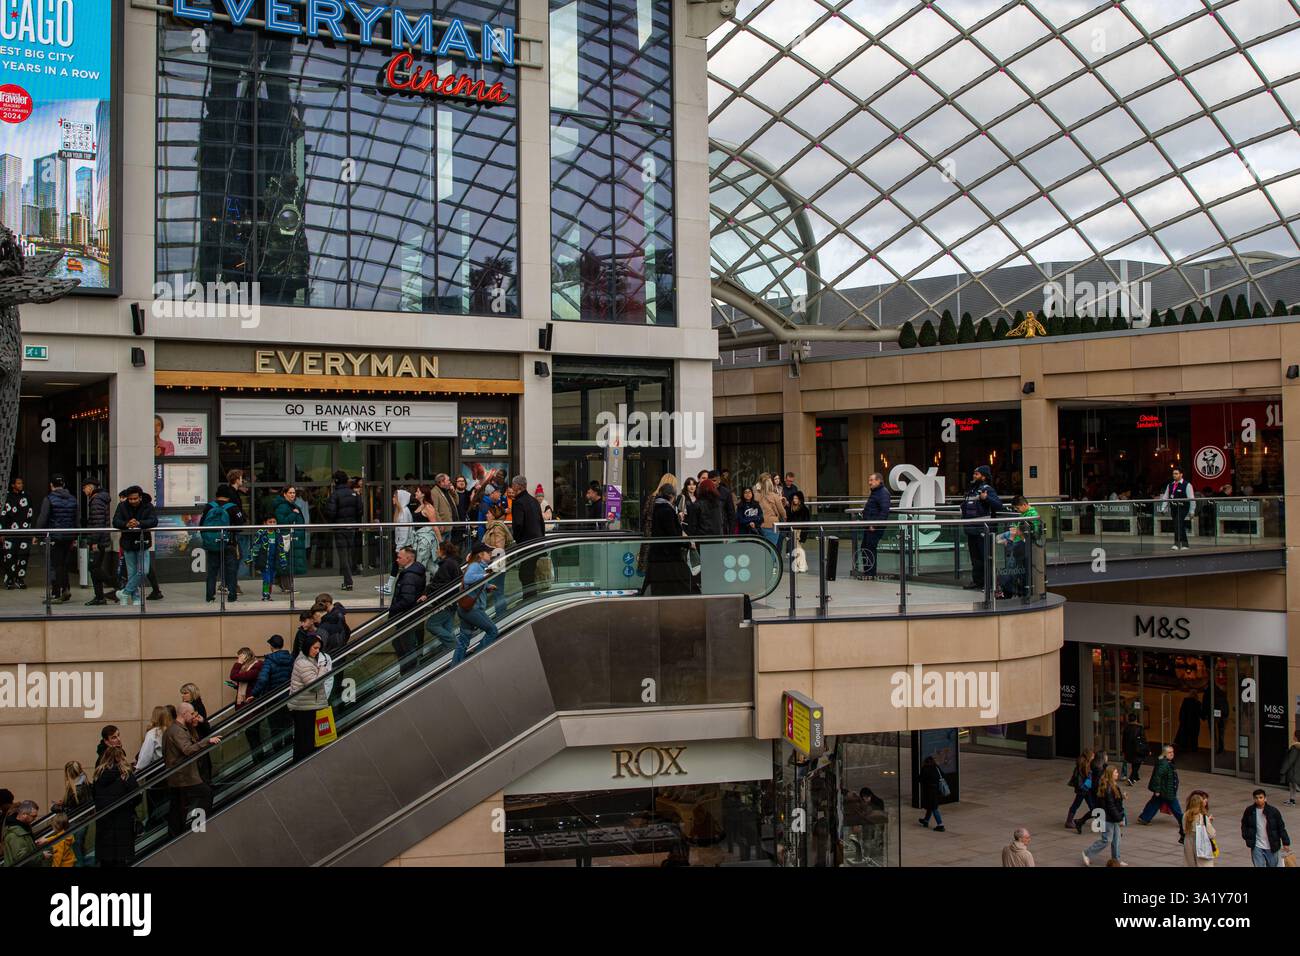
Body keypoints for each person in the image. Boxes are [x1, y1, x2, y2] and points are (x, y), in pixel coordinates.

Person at [163, 702, 220, 837]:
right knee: (206, 793)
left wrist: (196, 724)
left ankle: (175, 835)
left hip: (178, 777)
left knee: (178, 807)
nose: (194, 716)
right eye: (192, 713)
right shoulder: (177, 731)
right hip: (184, 776)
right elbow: (187, 749)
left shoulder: (176, 729)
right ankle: (197, 827)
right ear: (184, 714)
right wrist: (208, 741)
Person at [91, 746, 141, 867]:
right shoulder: (126, 775)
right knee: (121, 860)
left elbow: (94, 797)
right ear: (121, 758)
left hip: (104, 824)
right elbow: (137, 797)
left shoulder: (98, 776)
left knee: (106, 861)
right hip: (123, 823)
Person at [111, 485, 158, 606]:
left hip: (143, 543)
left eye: (135, 498)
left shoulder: (148, 506)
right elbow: (115, 521)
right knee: (131, 573)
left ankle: (124, 592)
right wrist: (127, 524)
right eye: (130, 499)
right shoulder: (122, 506)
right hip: (128, 543)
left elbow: (154, 521)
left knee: (144, 571)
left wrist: (139, 523)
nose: (132, 501)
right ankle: (135, 597)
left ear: (140, 497)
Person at [200, 484, 246, 604]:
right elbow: (240, 525)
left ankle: (210, 597)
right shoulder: (233, 507)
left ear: (217, 495)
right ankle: (232, 596)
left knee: (212, 571)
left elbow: (201, 525)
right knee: (231, 570)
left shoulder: (209, 506)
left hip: (212, 544)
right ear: (228, 495)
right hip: (228, 543)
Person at [36, 474, 78, 603]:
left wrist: (37, 534)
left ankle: (56, 593)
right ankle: (65, 589)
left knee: (56, 565)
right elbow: (76, 519)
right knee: (64, 564)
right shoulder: (73, 499)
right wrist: (76, 535)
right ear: (63, 485)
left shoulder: (49, 499)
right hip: (69, 535)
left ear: (51, 485)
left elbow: (43, 518)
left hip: (55, 536)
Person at [455, 543, 500, 664]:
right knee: (492, 630)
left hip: (466, 608)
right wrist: (486, 575)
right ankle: (475, 657)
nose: (490, 554)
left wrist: (488, 586)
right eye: (488, 552)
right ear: (480, 555)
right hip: (473, 609)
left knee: (463, 640)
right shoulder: (475, 565)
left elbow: (475, 582)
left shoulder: (478, 566)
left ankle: (455, 665)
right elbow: (468, 579)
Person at [643, 481, 691, 596]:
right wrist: (688, 544)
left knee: (658, 584)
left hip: (657, 554)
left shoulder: (656, 507)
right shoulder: (667, 510)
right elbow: (672, 534)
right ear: (671, 496)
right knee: (683, 580)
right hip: (668, 554)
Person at [288, 632, 329, 763]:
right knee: (306, 743)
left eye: (319, 648)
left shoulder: (309, 660)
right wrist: (322, 670)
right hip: (306, 709)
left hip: (310, 706)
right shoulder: (303, 663)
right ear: (307, 647)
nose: (317, 651)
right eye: (315, 648)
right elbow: (314, 686)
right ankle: (303, 767)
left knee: (309, 741)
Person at [960, 466, 1001, 590]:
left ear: (983, 477)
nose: (974, 476)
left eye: (977, 474)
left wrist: (986, 498)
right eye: (974, 473)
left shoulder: (987, 489)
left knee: (986, 557)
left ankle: (989, 583)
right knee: (975, 558)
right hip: (971, 530)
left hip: (983, 530)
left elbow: (999, 505)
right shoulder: (971, 491)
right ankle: (978, 581)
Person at [389, 546, 428, 676]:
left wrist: (393, 608)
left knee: (405, 646)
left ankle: (408, 675)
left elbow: (407, 599)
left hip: (406, 617)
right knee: (400, 643)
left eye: (399, 557)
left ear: (409, 558)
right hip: (411, 616)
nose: (397, 560)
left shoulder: (409, 576)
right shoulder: (416, 572)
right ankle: (407, 673)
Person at [323, 470, 361, 592]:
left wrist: (332, 523)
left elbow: (330, 512)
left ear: (336, 481)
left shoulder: (335, 495)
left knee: (343, 555)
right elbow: (360, 510)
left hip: (340, 528)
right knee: (348, 553)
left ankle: (348, 581)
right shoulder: (353, 494)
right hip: (351, 527)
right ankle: (348, 579)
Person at [422, 541, 463, 657]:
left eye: (438, 549)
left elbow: (443, 584)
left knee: (431, 625)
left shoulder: (447, 564)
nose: (436, 551)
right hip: (451, 602)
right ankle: (452, 654)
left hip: (445, 602)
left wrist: (428, 590)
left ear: (443, 551)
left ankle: (456, 647)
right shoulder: (452, 563)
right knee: (447, 629)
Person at [1081, 765, 1127, 866]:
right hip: (1108, 818)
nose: (1117, 774)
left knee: (1116, 839)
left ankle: (1116, 860)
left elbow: (1114, 802)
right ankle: (1087, 853)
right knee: (1107, 840)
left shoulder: (1112, 785)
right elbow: (1110, 806)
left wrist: (1122, 796)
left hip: (1112, 817)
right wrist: (1119, 818)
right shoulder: (1108, 788)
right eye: (1115, 772)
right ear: (1110, 774)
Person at [510, 475, 546, 599]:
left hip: (526, 543)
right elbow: (541, 522)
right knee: (529, 573)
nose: (512, 487)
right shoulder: (534, 501)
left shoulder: (518, 502)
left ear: (517, 486)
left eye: (513, 485)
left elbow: (518, 525)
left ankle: (529, 599)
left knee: (525, 574)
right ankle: (531, 598)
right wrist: (541, 539)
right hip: (537, 542)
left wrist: (517, 539)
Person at [83, 479, 116, 605]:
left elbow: (98, 522)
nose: (83, 490)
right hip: (100, 539)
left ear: (90, 487)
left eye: (84, 488)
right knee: (94, 569)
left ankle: (118, 585)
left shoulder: (96, 500)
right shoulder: (99, 499)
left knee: (94, 568)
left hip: (98, 541)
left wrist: (94, 542)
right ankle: (99, 597)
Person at [1241, 789, 1291, 867]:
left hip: (1271, 846)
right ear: (1254, 799)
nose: (1258, 800)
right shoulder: (1249, 811)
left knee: (1272, 865)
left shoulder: (1273, 811)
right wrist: (1246, 836)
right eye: (1256, 798)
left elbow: (1281, 827)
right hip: (1257, 845)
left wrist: (1286, 843)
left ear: (1265, 798)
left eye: (1261, 797)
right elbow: (1244, 824)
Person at [1137, 744, 1183, 828]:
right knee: (1175, 806)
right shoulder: (1164, 764)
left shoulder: (1167, 762)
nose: (1172, 754)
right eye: (1169, 752)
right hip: (1166, 790)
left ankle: (1144, 818)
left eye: (1172, 752)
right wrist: (1157, 790)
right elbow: (1157, 777)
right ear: (1165, 753)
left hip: (1165, 789)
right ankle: (1183, 822)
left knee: (1154, 803)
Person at [856, 472, 891, 580]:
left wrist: (875, 525)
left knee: (870, 548)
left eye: (871, 480)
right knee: (865, 547)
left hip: (874, 528)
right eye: (869, 480)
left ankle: (870, 574)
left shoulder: (883, 493)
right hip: (869, 526)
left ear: (878, 481)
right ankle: (868, 572)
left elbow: (884, 511)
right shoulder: (876, 492)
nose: (869, 482)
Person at [1, 477, 33, 589]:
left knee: (23, 556)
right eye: (18, 483)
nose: (21, 485)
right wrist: (2, 532)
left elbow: (30, 514)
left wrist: (31, 532)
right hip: (10, 532)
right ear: (13, 485)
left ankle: (20, 579)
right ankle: (9, 579)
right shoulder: (7, 497)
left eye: (21, 483)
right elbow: (3, 515)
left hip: (24, 532)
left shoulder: (27, 496)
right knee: (9, 557)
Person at [272, 485, 307, 587]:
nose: (292, 495)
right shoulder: (283, 506)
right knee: (287, 561)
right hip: (286, 537)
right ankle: (287, 586)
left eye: (294, 493)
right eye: (290, 493)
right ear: (284, 494)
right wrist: (293, 514)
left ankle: (284, 584)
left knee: (289, 561)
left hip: (292, 537)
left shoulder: (291, 505)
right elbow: (282, 522)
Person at [2, 800, 50, 866]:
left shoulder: (22, 828)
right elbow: (22, 859)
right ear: (24, 814)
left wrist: (33, 844)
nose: (35, 819)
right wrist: (42, 856)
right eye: (33, 816)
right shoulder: (16, 834)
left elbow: (22, 849)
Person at [1160, 467, 1196, 550]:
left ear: (1181, 474)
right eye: (1173, 474)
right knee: (1179, 524)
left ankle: (1177, 543)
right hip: (1174, 508)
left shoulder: (1187, 485)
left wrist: (1192, 511)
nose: (1174, 475)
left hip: (1183, 507)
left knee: (1178, 523)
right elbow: (1166, 497)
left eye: (1176, 474)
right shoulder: (1170, 485)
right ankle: (1184, 544)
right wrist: (1163, 508)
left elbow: (1192, 499)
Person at [1182, 792, 1216, 867]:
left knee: (1190, 863)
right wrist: (1208, 822)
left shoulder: (1185, 815)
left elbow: (1184, 829)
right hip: (1201, 843)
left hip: (1188, 841)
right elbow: (1211, 834)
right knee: (1203, 863)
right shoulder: (1203, 817)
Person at [756, 474, 787, 548]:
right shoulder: (774, 496)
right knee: (771, 547)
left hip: (758, 524)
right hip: (772, 525)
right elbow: (782, 511)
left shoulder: (756, 496)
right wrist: (784, 517)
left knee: (761, 547)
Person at [1065, 750, 1094, 829]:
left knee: (1090, 805)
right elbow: (1086, 777)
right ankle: (1069, 821)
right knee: (1077, 804)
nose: (1093, 757)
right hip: (1084, 789)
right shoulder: (1084, 765)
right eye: (1092, 755)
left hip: (1084, 789)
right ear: (1089, 756)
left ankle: (1070, 821)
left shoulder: (1083, 764)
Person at [917, 755, 946, 832]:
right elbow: (943, 775)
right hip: (936, 790)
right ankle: (926, 820)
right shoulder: (936, 767)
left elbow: (920, 779)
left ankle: (940, 825)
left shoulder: (925, 768)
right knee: (931, 806)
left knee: (933, 807)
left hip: (929, 791)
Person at [1121, 712, 1148, 785]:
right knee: (1137, 763)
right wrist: (1147, 749)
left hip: (1129, 750)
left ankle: (1136, 777)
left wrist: (1123, 750)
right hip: (1138, 749)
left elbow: (1124, 740)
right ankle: (1131, 778)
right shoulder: (1139, 728)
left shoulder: (1126, 728)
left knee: (1134, 763)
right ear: (1136, 719)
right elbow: (1143, 739)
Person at [710, 469, 736, 533]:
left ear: (719, 480)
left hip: (723, 528)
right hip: (709, 528)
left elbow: (731, 514)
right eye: (710, 481)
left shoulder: (726, 492)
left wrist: (731, 532)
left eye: (714, 480)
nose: (712, 483)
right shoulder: (706, 492)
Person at [1281, 729, 1300, 806]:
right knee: (1293, 786)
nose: (1293, 736)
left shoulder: (1295, 747)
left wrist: (1283, 770)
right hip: (1297, 770)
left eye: (1294, 735)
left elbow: (1290, 760)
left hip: (1293, 770)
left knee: (1294, 785)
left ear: (1296, 737)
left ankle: (1292, 801)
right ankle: (1292, 800)